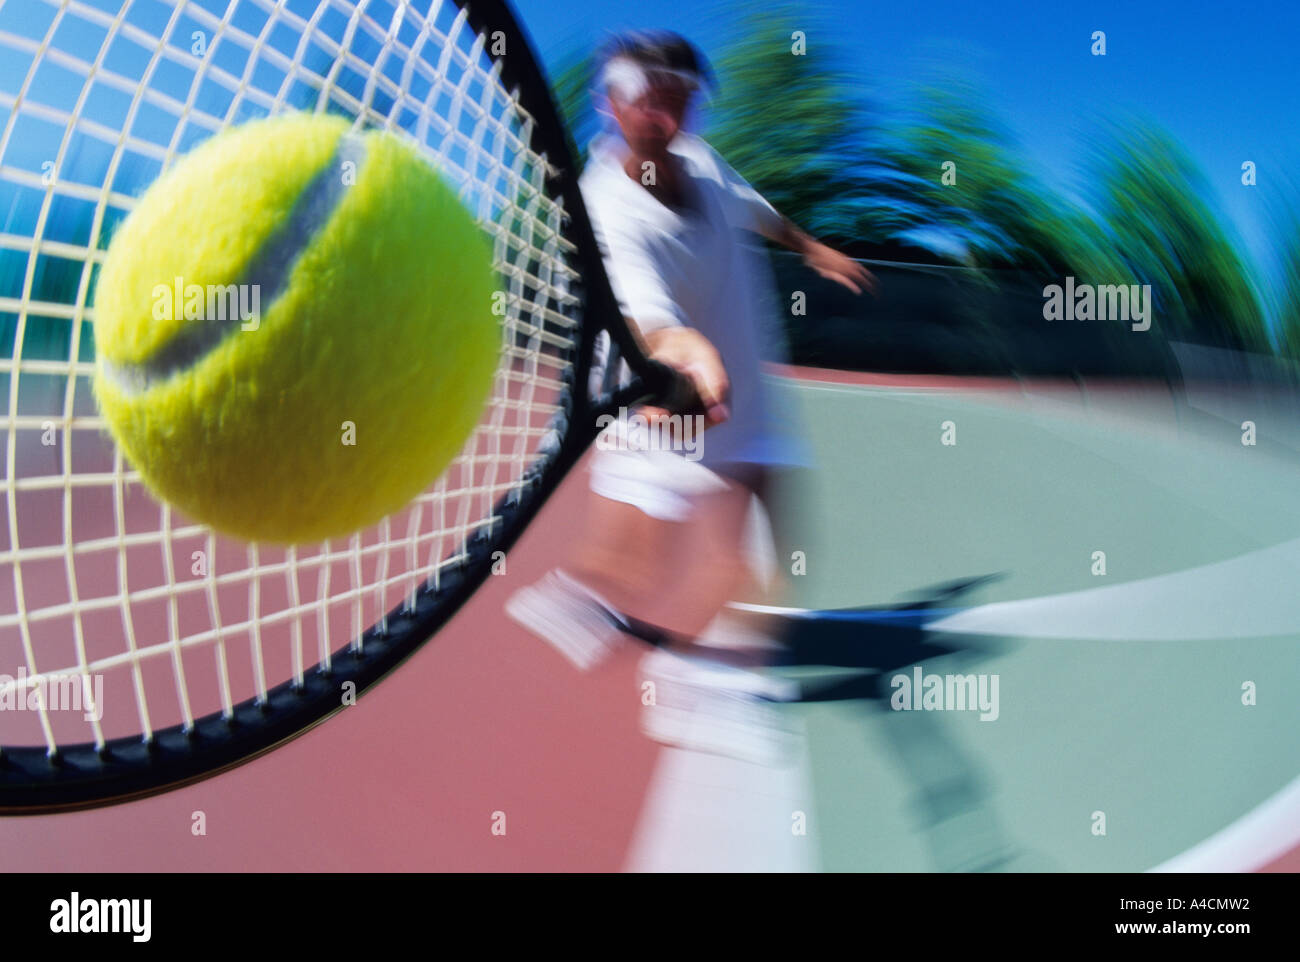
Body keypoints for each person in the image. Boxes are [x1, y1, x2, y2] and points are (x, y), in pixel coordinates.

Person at [508, 29, 874, 762]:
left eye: (679, 99)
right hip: (667, 396)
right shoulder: (606, 208)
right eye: (648, 99)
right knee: (666, 564)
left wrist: (813, 249)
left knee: (754, 548)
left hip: (741, 394)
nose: (665, 116)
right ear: (611, 105)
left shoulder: (702, 162)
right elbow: (648, 318)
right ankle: (675, 666)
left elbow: (757, 211)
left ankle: (670, 657)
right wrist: (686, 352)